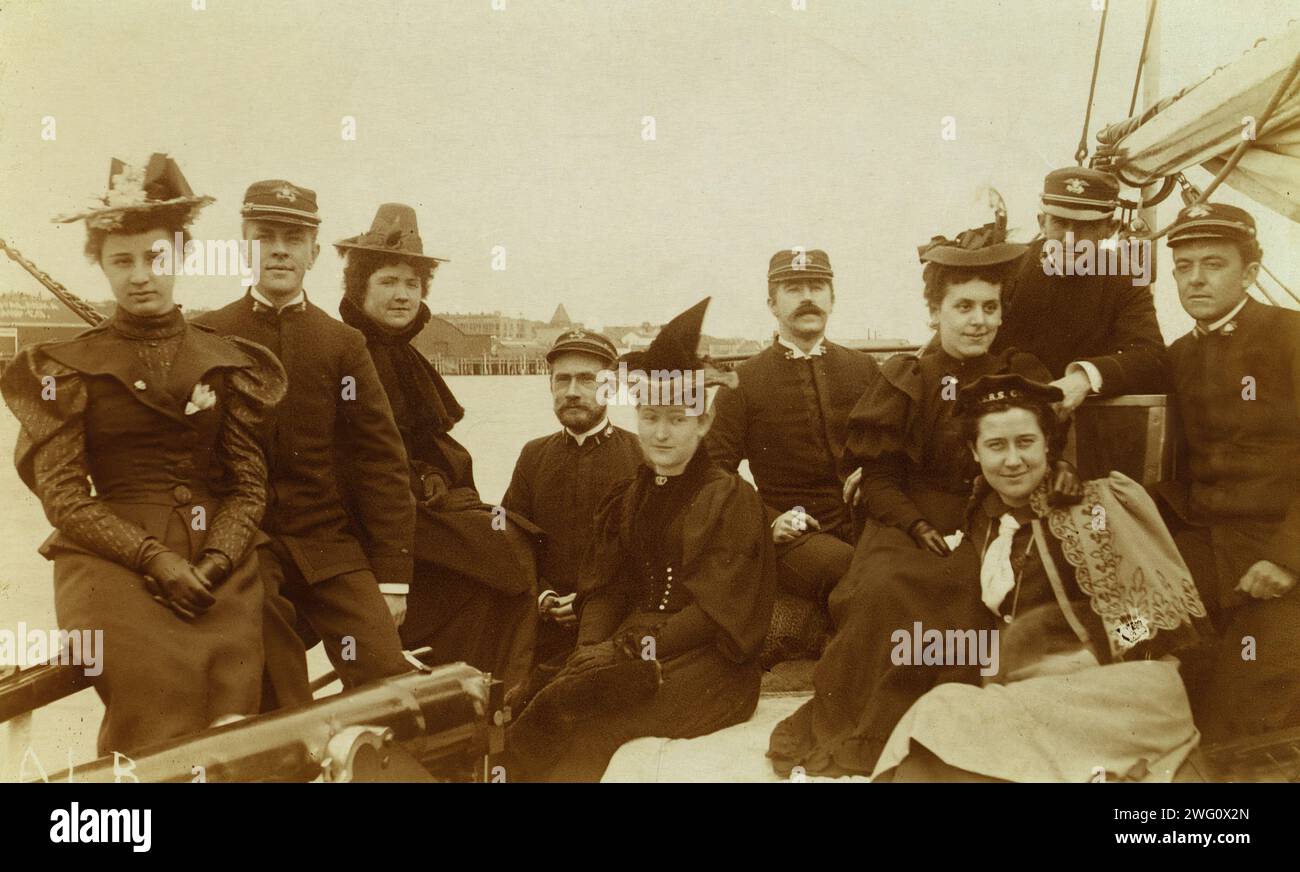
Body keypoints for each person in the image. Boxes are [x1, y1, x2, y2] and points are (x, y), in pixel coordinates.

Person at [0, 154, 287, 754]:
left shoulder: (227, 359)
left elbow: (247, 488)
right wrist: (153, 559)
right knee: (157, 693)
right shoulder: (67, 366)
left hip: (217, 556)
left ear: (180, 255)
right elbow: (65, 497)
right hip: (109, 562)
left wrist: (214, 561)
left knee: (235, 704)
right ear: (100, 266)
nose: (140, 276)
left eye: (154, 258)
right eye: (120, 261)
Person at [769, 218, 1073, 777]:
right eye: (963, 307)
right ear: (936, 311)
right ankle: (871, 729)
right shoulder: (906, 376)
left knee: (968, 593)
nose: (978, 320)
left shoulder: (1018, 375)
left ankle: (950, 732)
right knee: (887, 589)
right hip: (905, 518)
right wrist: (913, 526)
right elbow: (878, 480)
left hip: (988, 517)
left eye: (989, 307)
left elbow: (1044, 451)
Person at [873, 373, 1206, 782]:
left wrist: (1089, 656)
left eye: (1026, 442)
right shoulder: (982, 512)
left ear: (1048, 443)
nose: (1013, 460)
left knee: (947, 718)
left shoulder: (1098, 505)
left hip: (1121, 688)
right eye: (996, 445)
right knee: (938, 722)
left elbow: (1153, 621)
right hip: (1034, 690)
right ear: (974, 452)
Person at [506, 298, 777, 782]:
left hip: (709, 664)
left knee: (594, 731)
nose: (661, 433)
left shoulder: (730, 499)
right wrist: (589, 648)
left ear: (704, 423)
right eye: (651, 418)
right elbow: (607, 585)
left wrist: (626, 650)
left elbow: (717, 611)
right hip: (632, 646)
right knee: (542, 702)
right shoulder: (629, 495)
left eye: (677, 419)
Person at [196, 180, 412, 701]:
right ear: (244, 245)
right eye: (264, 235)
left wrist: (393, 578)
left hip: (329, 547)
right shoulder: (207, 335)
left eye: (293, 238)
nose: (278, 249)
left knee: (388, 679)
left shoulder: (342, 342)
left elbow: (381, 459)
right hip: (249, 550)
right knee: (276, 686)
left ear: (314, 252)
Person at [334, 203, 540, 690]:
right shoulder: (347, 349)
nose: (402, 294)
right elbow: (354, 458)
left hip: (418, 504)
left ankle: (489, 695)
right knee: (512, 552)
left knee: (509, 552)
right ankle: (496, 693)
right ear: (359, 286)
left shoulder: (399, 352)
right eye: (388, 281)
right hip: (374, 516)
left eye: (412, 283)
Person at [1156, 202, 1300, 742]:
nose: (1195, 278)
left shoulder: (1292, 337)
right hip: (1206, 554)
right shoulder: (1180, 355)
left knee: (1241, 712)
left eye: (1212, 263)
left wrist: (1287, 560)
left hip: (1282, 563)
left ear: (1250, 273)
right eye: (1183, 265)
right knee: (1133, 638)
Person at [705, 249, 877, 655]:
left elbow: (895, 444)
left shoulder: (863, 369)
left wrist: (877, 472)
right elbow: (715, 473)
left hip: (863, 521)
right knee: (851, 570)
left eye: (817, 287)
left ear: (832, 299)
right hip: (794, 535)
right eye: (793, 289)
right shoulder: (743, 382)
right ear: (772, 304)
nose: (807, 298)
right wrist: (768, 522)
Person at [502, 328, 642, 674]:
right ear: (550, 387)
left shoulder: (641, 456)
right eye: (562, 380)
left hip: (616, 619)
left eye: (586, 380)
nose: (572, 392)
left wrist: (587, 602)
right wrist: (544, 596)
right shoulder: (533, 455)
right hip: (542, 618)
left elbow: (649, 556)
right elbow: (510, 539)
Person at [992, 167, 1167, 412]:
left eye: (1086, 226)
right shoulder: (1006, 269)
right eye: (1060, 223)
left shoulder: (1126, 277)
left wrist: (1084, 377)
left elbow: (1151, 358)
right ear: (1042, 222)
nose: (1070, 239)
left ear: (1111, 228)